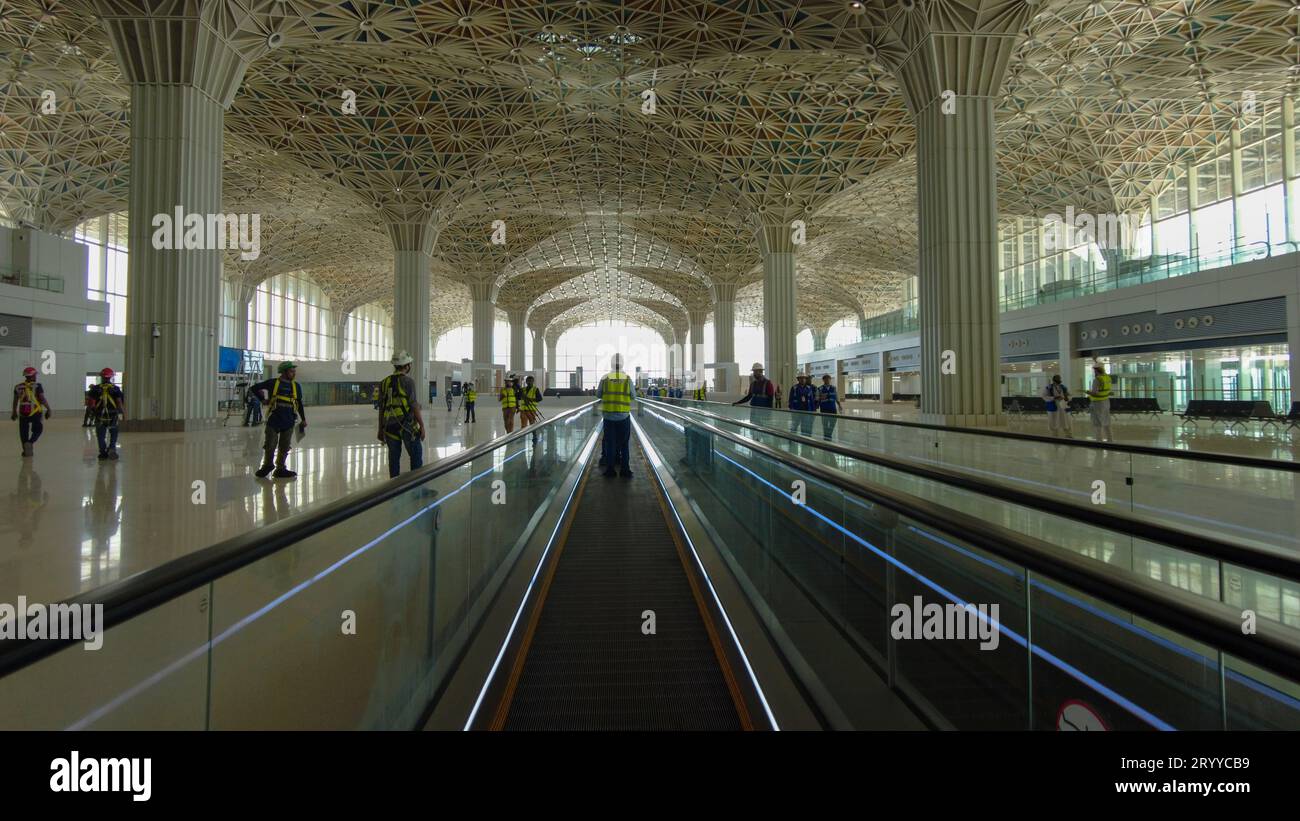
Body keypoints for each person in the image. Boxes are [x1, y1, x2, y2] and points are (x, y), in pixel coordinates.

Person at [252, 361, 306, 479]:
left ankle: (280, 468)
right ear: (284, 372)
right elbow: (254, 388)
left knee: (285, 446)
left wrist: (303, 419)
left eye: (294, 371)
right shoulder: (273, 383)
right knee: (270, 444)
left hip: (289, 420)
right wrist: (262, 399)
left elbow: (299, 403)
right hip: (274, 419)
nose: (294, 373)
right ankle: (268, 465)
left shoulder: (296, 386)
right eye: (292, 371)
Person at [378, 350, 426, 478]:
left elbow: (382, 408)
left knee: (394, 461)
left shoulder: (384, 382)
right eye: (410, 364)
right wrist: (422, 425)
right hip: (407, 426)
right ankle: (417, 490)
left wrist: (380, 429)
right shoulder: (408, 382)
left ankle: (394, 491)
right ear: (407, 365)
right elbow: (414, 405)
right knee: (416, 456)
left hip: (389, 427)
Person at [598, 354, 636, 478]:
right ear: (623, 364)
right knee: (624, 444)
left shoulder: (605, 378)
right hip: (623, 416)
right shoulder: (627, 378)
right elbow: (633, 396)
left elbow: (598, 395)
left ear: (611, 364)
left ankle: (610, 470)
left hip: (608, 417)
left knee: (610, 443)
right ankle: (625, 470)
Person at [11, 366, 50, 457]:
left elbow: (15, 401)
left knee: (23, 432)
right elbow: (42, 399)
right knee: (38, 429)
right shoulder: (37, 386)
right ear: (32, 376)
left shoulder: (18, 387)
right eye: (35, 375)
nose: (36, 376)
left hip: (23, 413)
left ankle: (25, 451)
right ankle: (31, 442)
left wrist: (14, 412)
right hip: (35, 412)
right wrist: (48, 409)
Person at [89, 367, 126, 460]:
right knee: (114, 432)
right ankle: (112, 448)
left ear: (101, 376)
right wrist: (123, 414)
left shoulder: (95, 389)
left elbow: (91, 404)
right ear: (111, 377)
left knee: (100, 434)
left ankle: (102, 453)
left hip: (99, 415)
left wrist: (93, 414)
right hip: (113, 415)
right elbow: (119, 403)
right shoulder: (116, 389)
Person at [1086, 363, 1113, 442]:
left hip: (1097, 403)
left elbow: (1094, 393)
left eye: (1094, 371)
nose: (1094, 372)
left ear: (1096, 371)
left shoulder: (1097, 379)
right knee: (1107, 421)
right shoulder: (1107, 378)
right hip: (1106, 401)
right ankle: (1110, 440)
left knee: (1098, 423)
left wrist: (1088, 392)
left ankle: (1099, 441)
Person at [816, 374, 841, 441]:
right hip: (824, 409)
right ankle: (826, 437)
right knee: (825, 424)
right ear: (823, 380)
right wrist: (816, 406)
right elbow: (817, 399)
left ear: (830, 379)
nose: (827, 380)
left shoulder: (834, 388)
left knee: (833, 423)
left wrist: (839, 405)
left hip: (833, 409)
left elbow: (836, 397)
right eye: (825, 379)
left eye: (828, 379)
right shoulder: (820, 389)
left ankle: (828, 435)